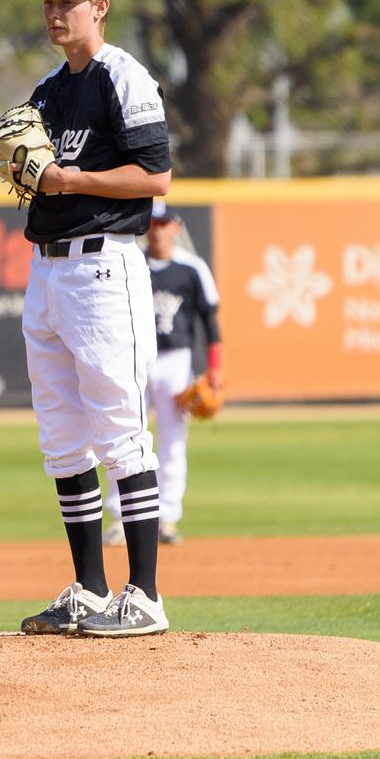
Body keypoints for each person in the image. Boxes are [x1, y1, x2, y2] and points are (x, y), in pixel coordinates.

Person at [9, 0, 174, 638]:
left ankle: (144, 596)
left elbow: (156, 177)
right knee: (62, 437)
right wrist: (34, 175)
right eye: (48, 2)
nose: (55, 12)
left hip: (106, 269)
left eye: (68, 2)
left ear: (99, 7)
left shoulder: (123, 77)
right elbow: (35, 170)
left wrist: (69, 181)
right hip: (47, 271)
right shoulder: (49, 88)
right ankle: (90, 588)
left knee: (119, 428)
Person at [102, 204, 222, 545]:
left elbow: (210, 321)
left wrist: (215, 368)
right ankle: (120, 518)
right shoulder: (130, 261)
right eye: (152, 222)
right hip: (133, 357)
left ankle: (167, 517)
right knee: (123, 436)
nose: (157, 229)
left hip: (175, 360)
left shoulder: (192, 267)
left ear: (176, 227)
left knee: (172, 440)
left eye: (164, 223)